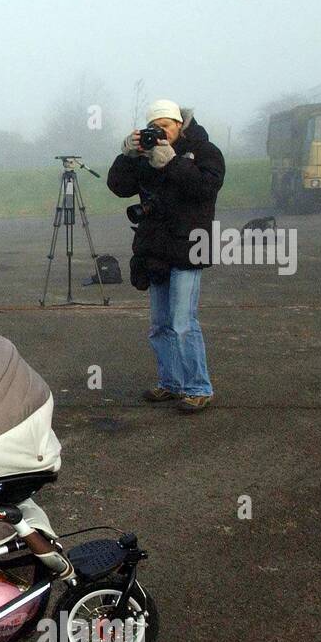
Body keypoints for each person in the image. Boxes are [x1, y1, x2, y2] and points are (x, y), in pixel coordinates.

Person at [107, 99, 225, 414]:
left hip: (188, 246)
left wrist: (172, 162)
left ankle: (199, 388)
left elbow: (205, 188)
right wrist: (127, 154)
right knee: (159, 324)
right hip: (155, 249)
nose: (161, 131)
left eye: (166, 125)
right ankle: (171, 383)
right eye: (154, 127)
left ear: (179, 124)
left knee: (183, 322)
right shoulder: (146, 155)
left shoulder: (205, 151)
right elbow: (118, 187)